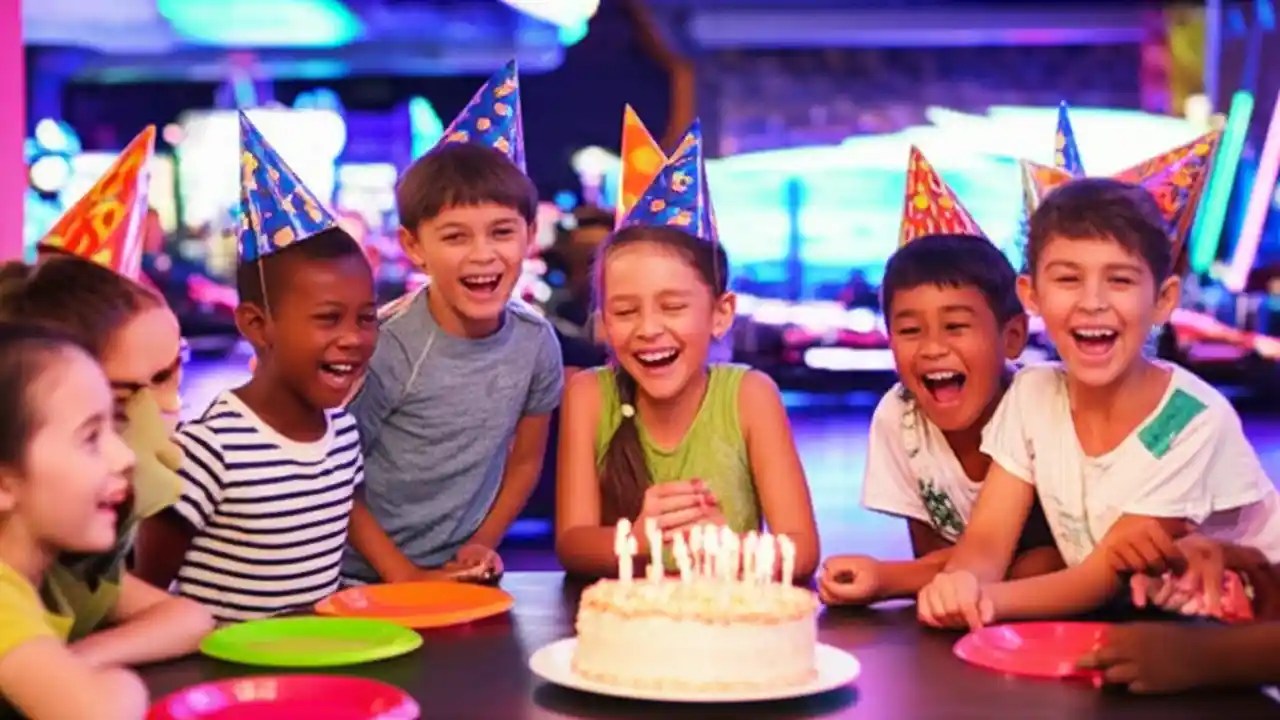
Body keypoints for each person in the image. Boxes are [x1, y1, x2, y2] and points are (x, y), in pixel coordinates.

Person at [916, 177, 1280, 629]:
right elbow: (989, 539)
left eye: (1120, 280)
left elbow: (1101, 576)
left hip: (1250, 633)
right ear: (1031, 295)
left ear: (1163, 300)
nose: (1093, 303)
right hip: (1150, 625)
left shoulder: (1188, 418)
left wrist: (984, 602)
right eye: (1068, 279)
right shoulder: (1032, 394)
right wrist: (960, 583)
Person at [134, 114, 377, 621]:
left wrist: (415, 579)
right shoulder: (209, 448)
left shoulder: (345, 432)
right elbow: (146, 593)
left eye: (366, 318)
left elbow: (344, 514)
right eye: (328, 319)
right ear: (257, 324)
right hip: (227, 679)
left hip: (320, 666)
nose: (353, 337)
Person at [554, 120, 820, 580]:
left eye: (673, 306)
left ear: (720, 312)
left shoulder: (750, 396)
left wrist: (728, 549)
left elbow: (801, 550)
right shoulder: (589, 395)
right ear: (602, 322)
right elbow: (573, 545)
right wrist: (638, 539)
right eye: (624, 311)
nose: (649, 329)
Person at [342, 62, 564, 585]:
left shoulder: (536, 341)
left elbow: (526, 460)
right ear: (414, 247)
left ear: (530, 236)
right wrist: (405, 579)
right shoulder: (388, 346)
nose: (482, 255)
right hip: (358, 579)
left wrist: (482, 542)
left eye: (501, 232)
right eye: (455, 236)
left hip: (458, 576)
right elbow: (334, 476)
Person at [819, 148, 1061, 606]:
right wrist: (896, 578)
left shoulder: (1040, 404)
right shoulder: (900, 420)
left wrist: (888, 579)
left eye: (955, 326)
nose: (932, 347)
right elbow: (934, 566)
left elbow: (1057, 559)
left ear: (1012, 337)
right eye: (910, 331)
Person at [0, 324, 199, 718]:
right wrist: (113, 684)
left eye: (115, 425)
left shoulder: (52, 574)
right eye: (90, 438)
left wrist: (70, 665)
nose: (124, 458)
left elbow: (191, 618)